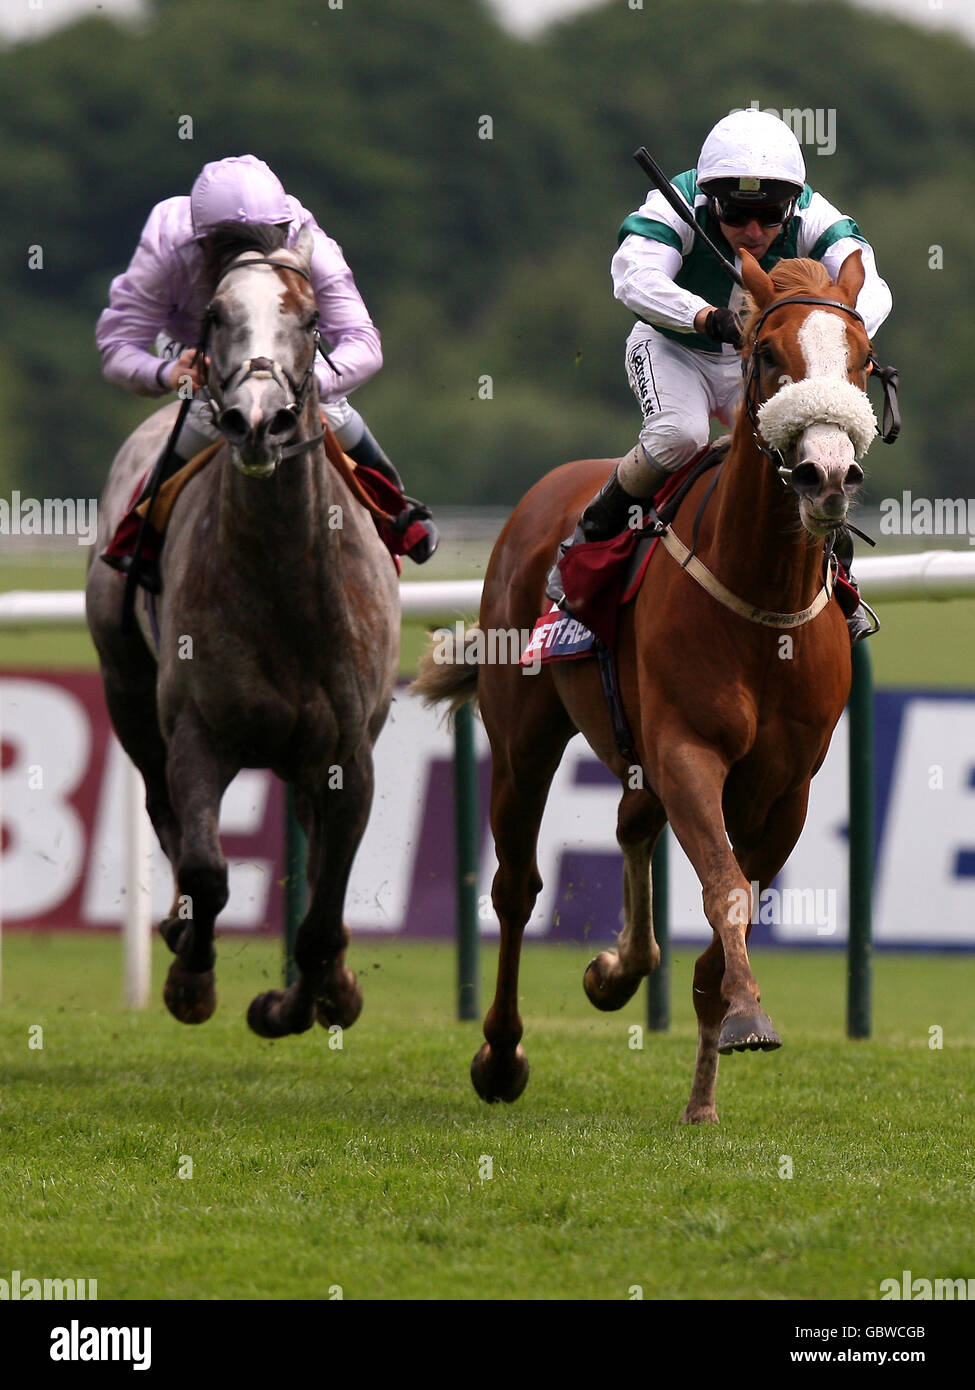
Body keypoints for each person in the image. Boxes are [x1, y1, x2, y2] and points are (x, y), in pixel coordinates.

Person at [548, 108, 892, 642]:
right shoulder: (675, 203)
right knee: (678, 437)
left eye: (770, 215)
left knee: (811, 445)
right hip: (674, 348)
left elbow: (869, 281)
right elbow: (631, 275)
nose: (754, 232)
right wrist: (706, 318)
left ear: (792, 203)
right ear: (711, 199)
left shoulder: (816, 216)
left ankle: (837, 572)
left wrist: (836, 332)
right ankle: (588, 537)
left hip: (761, 358)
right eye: (736, 213)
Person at [96, 154, 438, 590]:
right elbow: (117, 349)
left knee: (328, 409)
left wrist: (314, 383)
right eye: (235, 247)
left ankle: (398, 513)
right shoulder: (167, 244)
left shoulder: (304, 238)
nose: (253, 256)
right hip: (196, 348)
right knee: (207, 412)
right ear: (202, 245)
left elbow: (363, 342)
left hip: (283, 350)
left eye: (264, 240)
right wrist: (166, 372)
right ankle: (139, 534)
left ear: (283, 231)